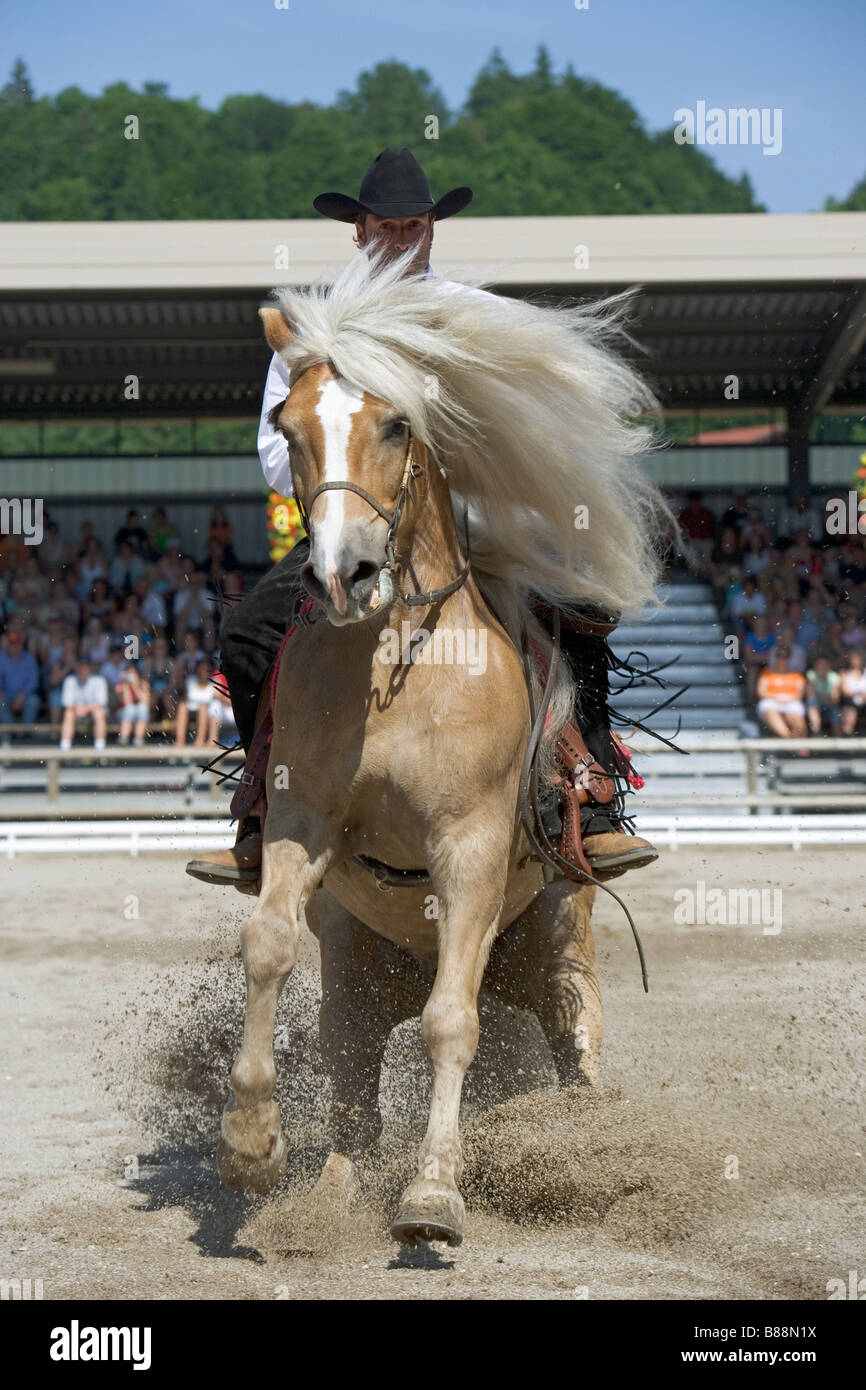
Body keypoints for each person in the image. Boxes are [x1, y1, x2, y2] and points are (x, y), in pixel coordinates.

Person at [189, 147, 659, 887]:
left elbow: (538, 417)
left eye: (414, 226)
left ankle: (589, 795)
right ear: (359, 230)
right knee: (248, 628)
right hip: (353, 524)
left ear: (433, 228)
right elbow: (276, 460)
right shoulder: (311, 331)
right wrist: (339, 473)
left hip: (471, 527)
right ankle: (258, 811)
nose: (401, 239)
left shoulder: (474, 317)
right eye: (387, 227)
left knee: (580, 605)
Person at [59, 657, 108, 751]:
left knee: (99, 713)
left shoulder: (99, 680)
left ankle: (100, 746)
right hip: (76, 712)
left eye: (86, 668)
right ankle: (65, 746)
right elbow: (67, 703)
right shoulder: (69, 680)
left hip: (92, 711)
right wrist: (79, 709)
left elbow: (101, 703)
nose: (83, 671)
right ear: (77, 669)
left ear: (90, 669)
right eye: (81, 668)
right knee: (68, 713)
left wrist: (86, 709)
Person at [756, 654, 808, 740]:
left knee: (795, 717)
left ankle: (800, 739)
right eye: (780, 658)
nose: (782, 661)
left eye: (784, 658)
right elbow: (761, 692)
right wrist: (776, 698)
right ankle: (787, 737)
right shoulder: (767, 673)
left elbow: (800, 694)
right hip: (772, 700)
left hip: (791, 701)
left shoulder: (796, 674)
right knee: (769, 710)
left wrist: (786, 700)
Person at [0, 627, 41, 727]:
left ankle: (25, 730)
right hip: (6, 693)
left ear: (21, 645)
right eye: (12, 645)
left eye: (17, 644)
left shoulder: (29, 659)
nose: (14, 647)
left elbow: (33, 681)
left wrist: (21, 697)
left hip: (25, 694)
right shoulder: (1, 658)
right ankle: (9, 731)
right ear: (8, 646)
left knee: (34, 701)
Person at [175, 658, 215, 747]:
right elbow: (185, 697)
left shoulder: (214, 684)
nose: (204, 671)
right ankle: (180, 741)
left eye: (206, 669)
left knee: (203, 708)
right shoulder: (190, 681)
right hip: (190, 710)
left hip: (207, 713)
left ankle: (199, 741)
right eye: (202, 668)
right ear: (198, 670)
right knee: (182, 706)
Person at [115, 664, 151, 746]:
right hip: (123, 713)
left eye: (133, 673)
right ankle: (124, 737)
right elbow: (126, 703)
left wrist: (135, 687)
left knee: (143, 708)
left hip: (139, 714)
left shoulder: (144, 684)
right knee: (130, 709)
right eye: (129, 673)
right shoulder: (120, 686)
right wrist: (126, 686)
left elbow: (145, 701)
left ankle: (139, 738)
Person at [805, 656, 841, 735]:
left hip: (830, 704)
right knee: (812, 703)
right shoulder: (811, 675)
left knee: (836, 713)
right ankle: (816, 732)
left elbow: (835, 699)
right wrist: (824, 698)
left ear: (829, 666)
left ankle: (839, 740)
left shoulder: (834, 677)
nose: (822, 667)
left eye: (824, 664)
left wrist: (821, 696)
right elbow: (809, 693)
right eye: (820, 664)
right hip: (817, 703)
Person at [838, 650, 866, 736]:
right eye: (852, 659)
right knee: (849, 710)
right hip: (850, 702)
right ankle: (848, 734)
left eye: (856, 658)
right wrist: (858, 694)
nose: (854, 661)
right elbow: (844, 691)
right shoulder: (844, 673)